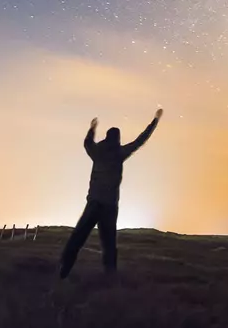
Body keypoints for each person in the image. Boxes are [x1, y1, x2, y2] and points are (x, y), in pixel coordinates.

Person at [57, 107, 163, 279]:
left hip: (94, 202)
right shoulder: (120, 152)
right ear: (118, 139)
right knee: (109, 243)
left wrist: (92, 129)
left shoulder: (98, 151)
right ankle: (110, 276)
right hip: (109, 205)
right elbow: (140, 140)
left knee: (78, 236)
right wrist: (155, 121)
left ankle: (64, 269)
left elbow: (87, 144)